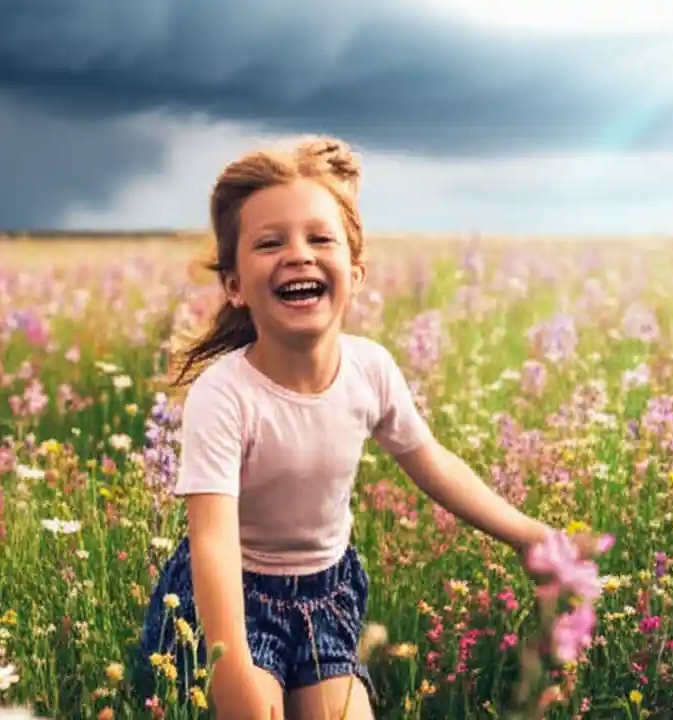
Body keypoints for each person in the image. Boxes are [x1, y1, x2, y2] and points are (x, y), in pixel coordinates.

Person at [138, 136, 587, 719]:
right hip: (230, 599)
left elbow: (432, 462)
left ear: (355, 271)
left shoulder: (370, 369)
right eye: (270, 243)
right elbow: (213, 542)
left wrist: (529, 536)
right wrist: (232, 667)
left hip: (327, 598)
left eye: (320, 238)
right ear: (234, 286)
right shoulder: (224, 395)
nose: (298, 255)